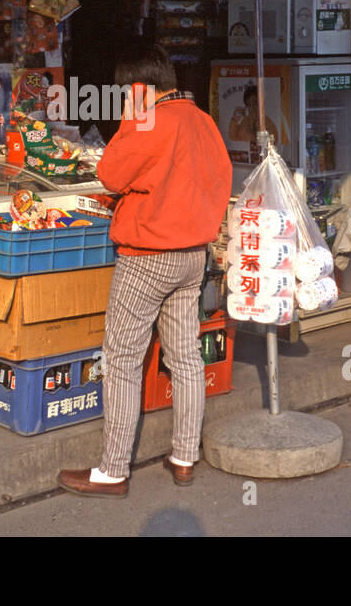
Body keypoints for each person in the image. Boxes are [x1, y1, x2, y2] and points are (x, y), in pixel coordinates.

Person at [57, 43, 231, 497]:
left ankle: (113, 470)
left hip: (148, 256)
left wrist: (132, 120)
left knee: (121, 361)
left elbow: (113, 173)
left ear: (140, 89)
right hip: (194, 255)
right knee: (186, 358)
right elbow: (219, 178)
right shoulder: (204, 121)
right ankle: (184, 457)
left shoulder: (150, 119)